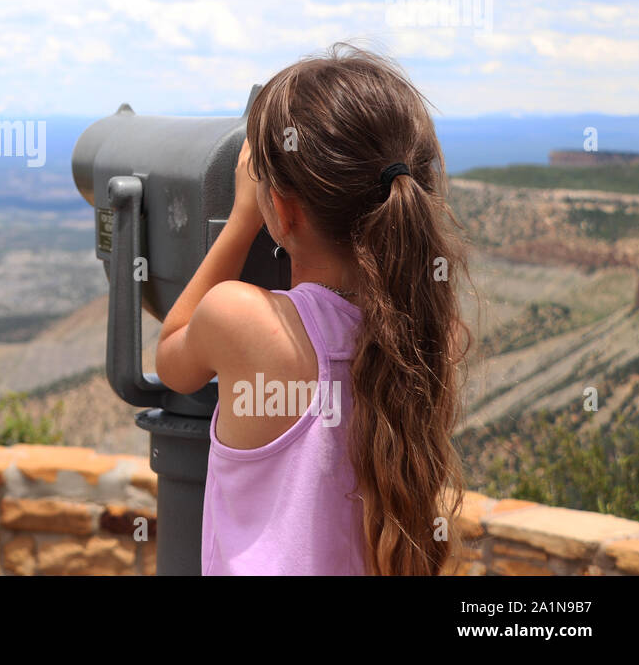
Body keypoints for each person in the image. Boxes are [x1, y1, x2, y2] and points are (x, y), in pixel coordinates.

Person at [155, 43, 472, 575]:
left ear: (282, 209)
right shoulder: (432, 333)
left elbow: (172, 359)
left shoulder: (240, 318)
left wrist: (241, 220)